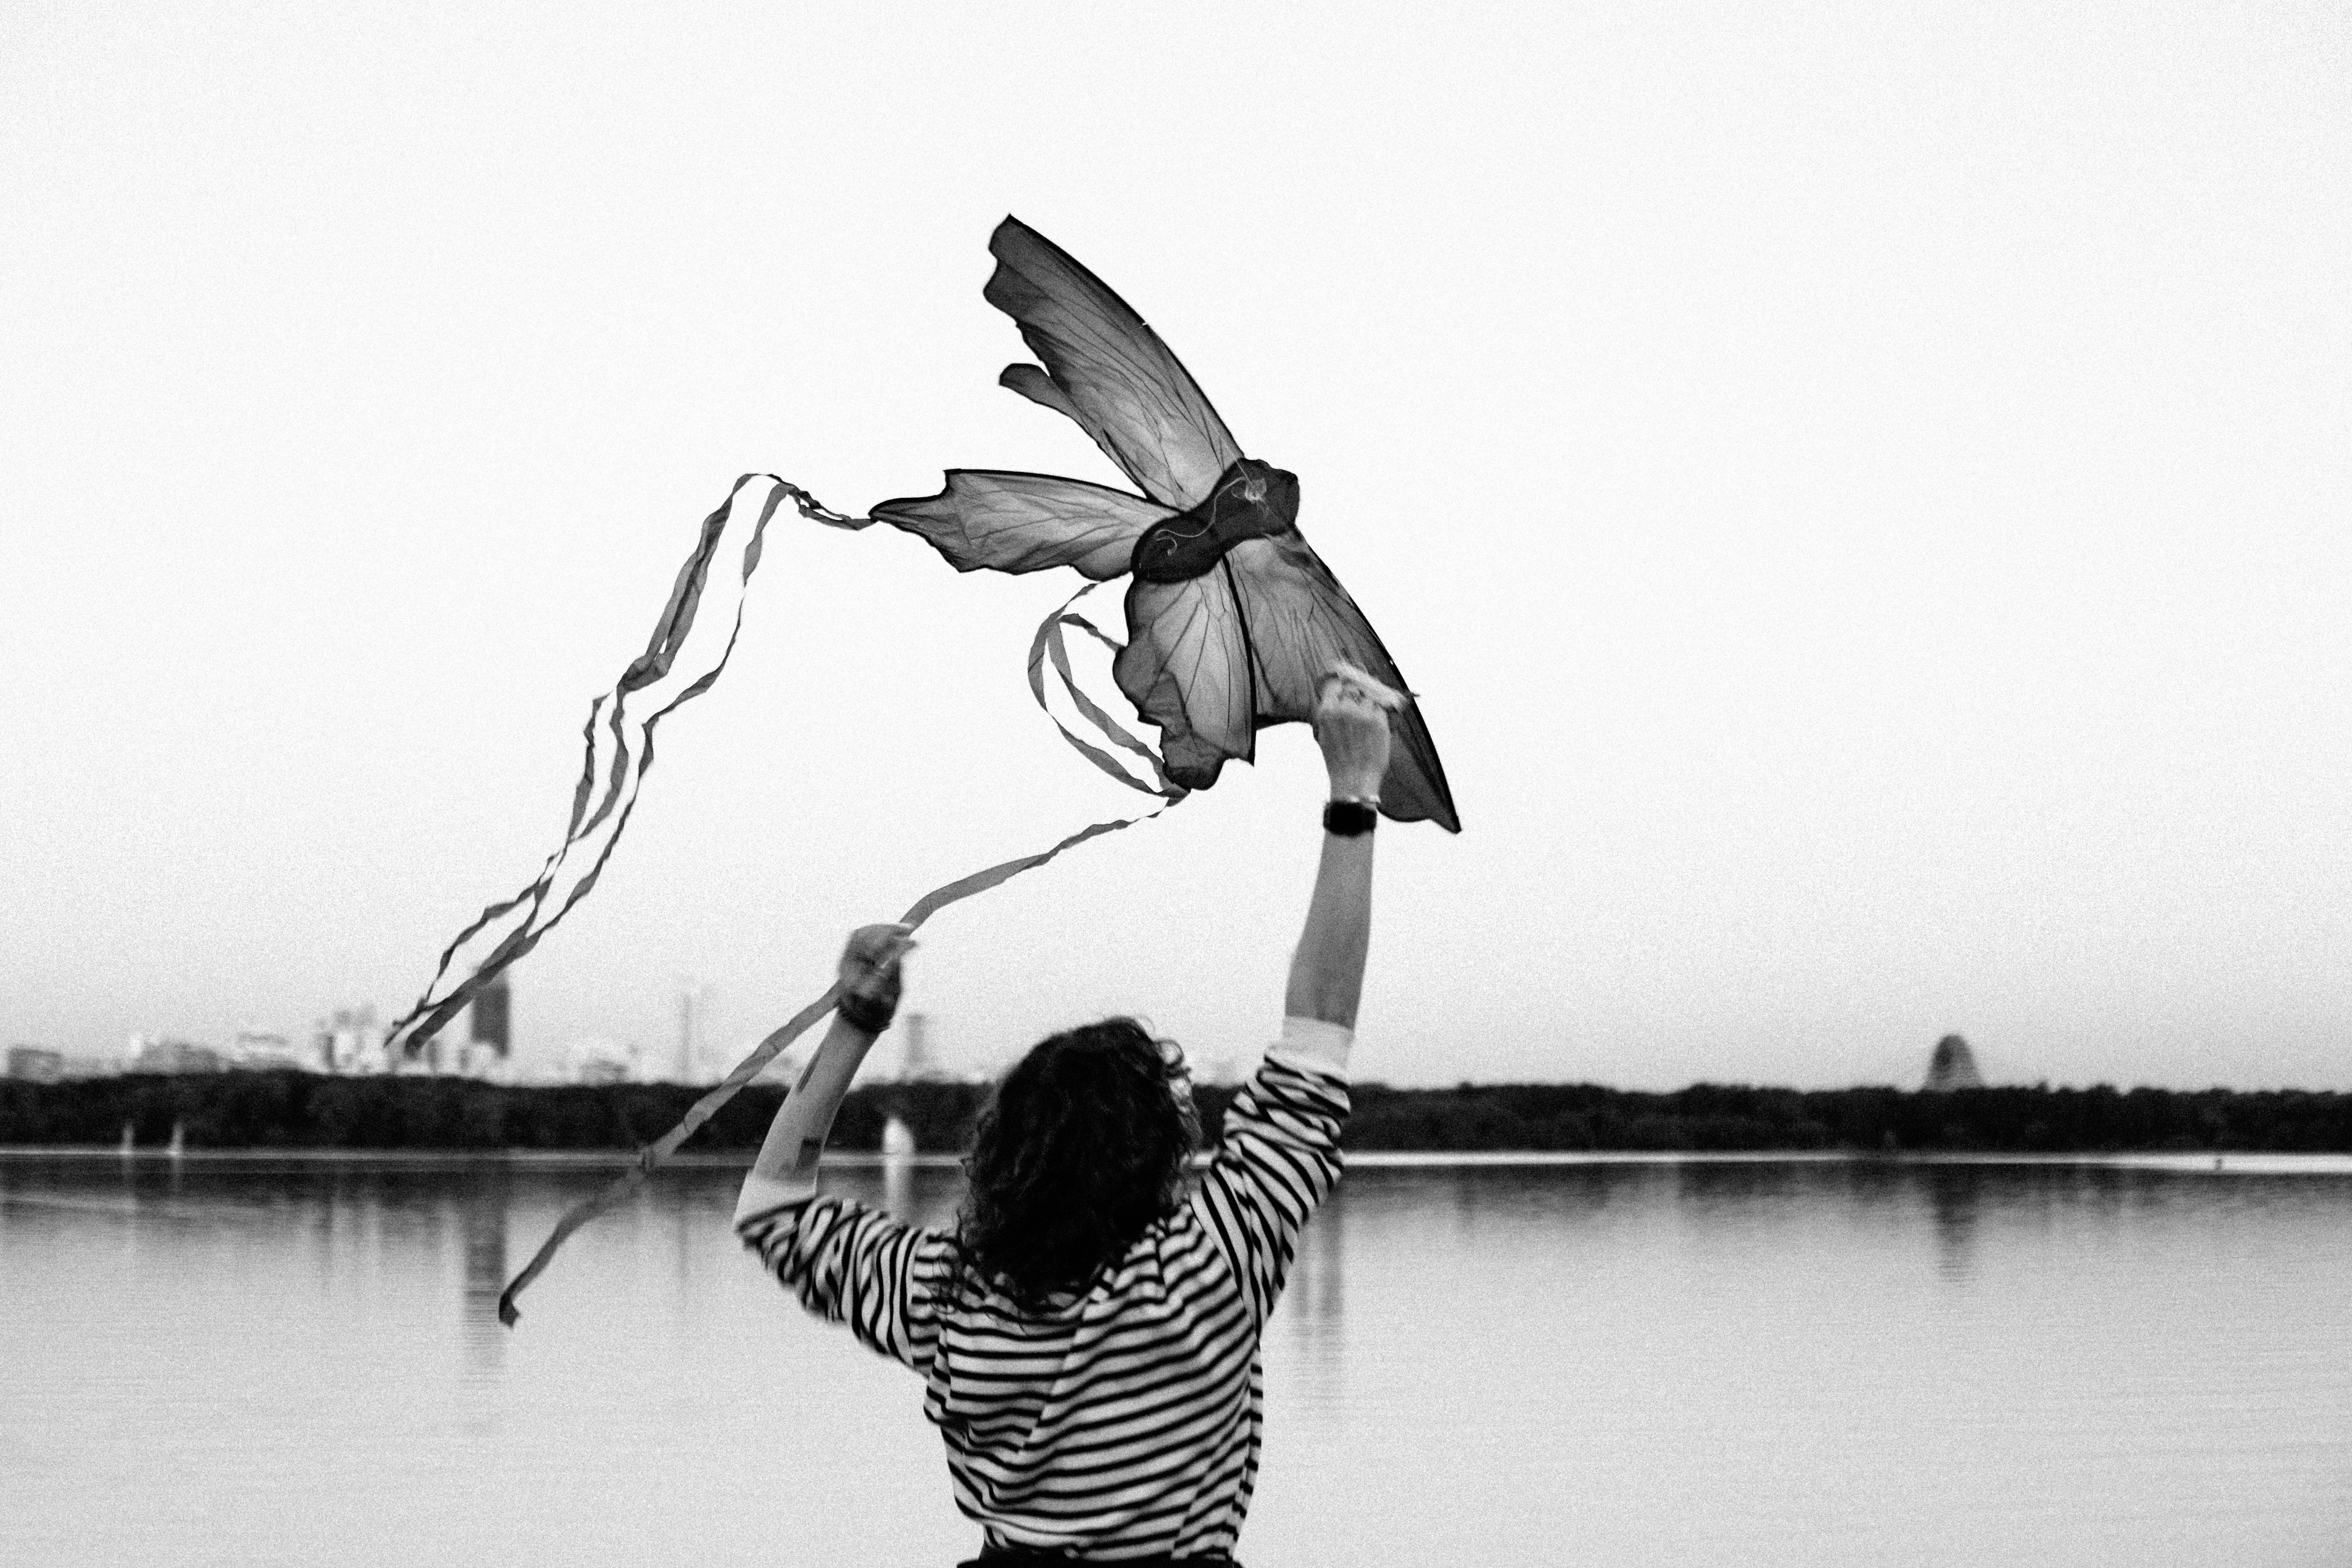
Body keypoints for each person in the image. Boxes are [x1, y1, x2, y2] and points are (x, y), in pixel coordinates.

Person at [734, 669, 1395, 1566]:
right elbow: (1320, 1026)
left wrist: (856, 1025)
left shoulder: (949, 1295)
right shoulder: (1209, 1268)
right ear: (1161, 1154)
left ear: (1006, 1152)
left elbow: (771, 1209)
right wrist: (1353, 794)